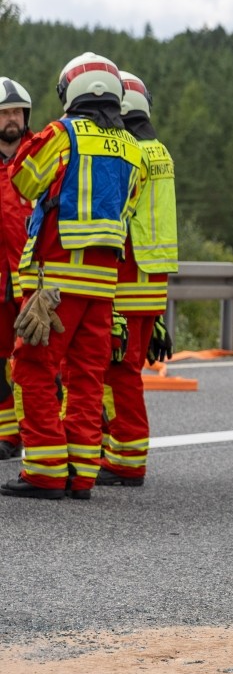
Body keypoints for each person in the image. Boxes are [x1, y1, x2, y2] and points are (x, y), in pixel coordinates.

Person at [2, 53, 146, 500]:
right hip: (103, 286)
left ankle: (45, 470)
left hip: (56, 280)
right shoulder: (132, 148)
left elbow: (24, 182)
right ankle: (81, 473)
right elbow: (133, 201)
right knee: (86, 375)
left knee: (33, 367)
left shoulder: (61, 135)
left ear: (70, 92)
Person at [97, 71, 178, 486]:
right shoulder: (159, 150)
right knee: (123, 371)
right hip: (150, 285)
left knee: (117, 372)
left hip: (123, 282)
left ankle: (125, 460)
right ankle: (121, 455)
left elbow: (115, 217)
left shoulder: (128, 152)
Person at [0, 77, 34, 462]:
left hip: (34, 281)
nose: (11, 119)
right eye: (5, 112)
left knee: (38, 362)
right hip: (0, 280)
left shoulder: (40, 153)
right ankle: (7, 434)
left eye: (17, 112)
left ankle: (45, 435)